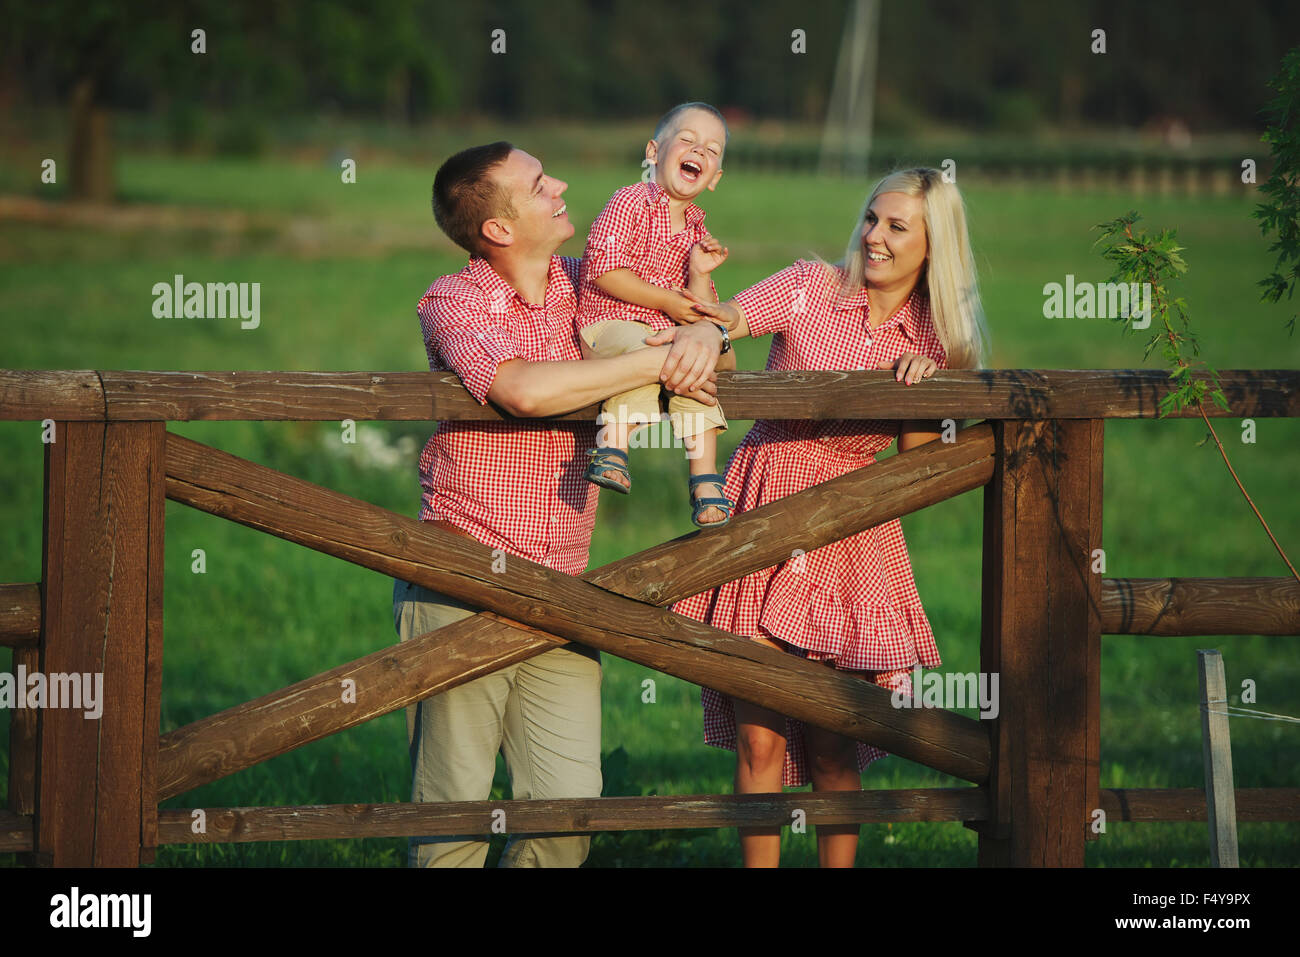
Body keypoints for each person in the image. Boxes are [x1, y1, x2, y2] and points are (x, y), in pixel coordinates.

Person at [392, 141, 727, 867]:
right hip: (462, 578)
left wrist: (702, 327)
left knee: (568, 810)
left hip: (565, 588)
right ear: (500, 230)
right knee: (452, 815)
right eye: (541, 184)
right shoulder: (456, 298)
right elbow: (521, 390)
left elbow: (712, 341)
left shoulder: (593, 286)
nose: (563, 185)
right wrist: (651, 360)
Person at [674, 167, 989, 867]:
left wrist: (929, 395)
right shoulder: (812, 285)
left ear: (936, 245)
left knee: (832, 737)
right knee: (760, 729)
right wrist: (704, 307)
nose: (874, 236)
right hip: (764, 496)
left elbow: (921, 471)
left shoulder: (935, 339)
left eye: (896, 226)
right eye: (872, 218)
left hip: (854, 524)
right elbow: (730, 325)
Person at [575, 102, 737, 527]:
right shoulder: (631, 201)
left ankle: (704, 480)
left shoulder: (699, 232)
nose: (699, 151)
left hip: (664, 341)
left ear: (715, 178)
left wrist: (699, 274)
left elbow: (702, 314)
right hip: (607, 326)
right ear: (653, 152)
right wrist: (665, 301)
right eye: (687, 140)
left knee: (695, 370)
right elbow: (605, 271)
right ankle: (612, 448)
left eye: (712, 149)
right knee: (643, 351)